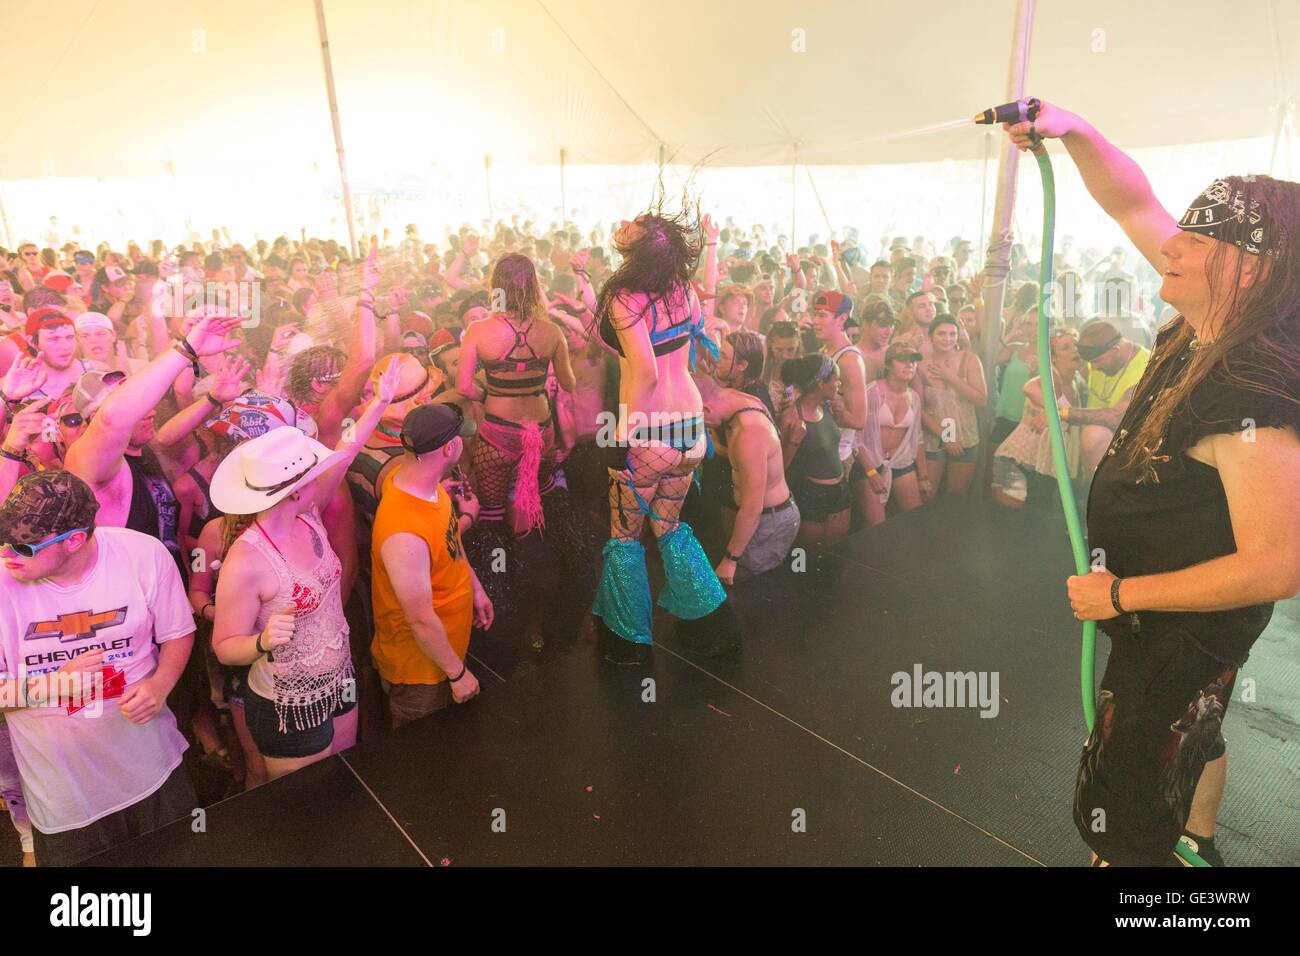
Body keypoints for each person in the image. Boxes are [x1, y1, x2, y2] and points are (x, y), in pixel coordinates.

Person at [1005, 101, 1300, 867]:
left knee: (1122, 812)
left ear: (1252, 265)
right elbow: (1130, 199)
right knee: (1198, 727)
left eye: (1198, 239)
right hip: (1181, 633)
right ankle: (1197, 841)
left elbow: (1279, 565)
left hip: (1176, 629)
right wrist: (1073, 130)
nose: (1171, 244)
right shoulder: (1211, 322)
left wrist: (1121, 595)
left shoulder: (1253, 391)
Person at [209, 361, 400, 779]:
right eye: (311, 472)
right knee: (308, 817)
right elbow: (224, 645)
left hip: (339, 680)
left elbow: (345, 452)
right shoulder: (247, 559)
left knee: (345, 783)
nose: (320, 474)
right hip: (288, 703)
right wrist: (261, 641)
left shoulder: (306, 514)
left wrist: (380, 402)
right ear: (293, 489)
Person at [0, 471, 197, 865]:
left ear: (73, 540)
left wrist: (160, 684)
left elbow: (178, 632)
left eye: (22, 546)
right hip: (66, 799)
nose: (7, 553)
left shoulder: (144, 554)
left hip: (153, 770)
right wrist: (52, 685)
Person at [590, 208, 740, 660]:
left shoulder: (624, 298)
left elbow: (647, 375)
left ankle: (628, 643)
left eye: (631, 224)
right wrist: (712, 246)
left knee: (624, 537)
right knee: (669, 526)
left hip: (651, 431)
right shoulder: (680, 288)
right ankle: (709, 624)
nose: (620, 223)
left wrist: (621, 437)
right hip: (691, 431)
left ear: (641, 247)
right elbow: (703, 318)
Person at [370, 404, 493, 726]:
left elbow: (449, 541)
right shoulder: (403, 531)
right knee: (423, 765)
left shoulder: (421, 483)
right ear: (450, 448)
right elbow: (419, 617)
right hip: (420, 675)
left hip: (441, 655)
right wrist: (459, 674)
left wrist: (475, 588)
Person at [703, 379, 797, 585]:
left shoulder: (749, 434)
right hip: (769, 516)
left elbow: (752, 507)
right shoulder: (739, 399)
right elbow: (750, 460)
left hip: (766, 521)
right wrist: (718, 448)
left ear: (705, 407)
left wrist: (731, 559)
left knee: (750, 590)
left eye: (699, 418)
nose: (702, 424)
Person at [779, 355, 850, 549]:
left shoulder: (826, 407)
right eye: (836, 379)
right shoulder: (791, 418)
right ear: (821, 384)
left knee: (835, 552)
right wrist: (794, 441)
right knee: (806, 558)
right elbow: (779, 470)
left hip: (840, 491)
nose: (839, 384)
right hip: (812, 495)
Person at [856, 343, 932, 525]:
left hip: (900, 462)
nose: (909, 365)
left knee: (916, 519)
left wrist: (923, 476)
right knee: (877, 526)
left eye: (913, 361)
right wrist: (871, 472)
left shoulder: (913, 397)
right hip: (870, 463)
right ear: (889, 365)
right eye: (903, 360)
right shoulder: (872, 392)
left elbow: (917, 439)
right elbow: (855, 438)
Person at [920, 314, 987, 496]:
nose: (947, 339)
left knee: (955, 498)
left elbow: (981, 399)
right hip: (934, 438)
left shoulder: (970, 359)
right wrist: (946, 436)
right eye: (941, 334)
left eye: (952, 334)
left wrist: (951, 378)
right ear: (931, 335)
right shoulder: (920, 365)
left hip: (965, 437)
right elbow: (919, 409)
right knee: (928, 496)